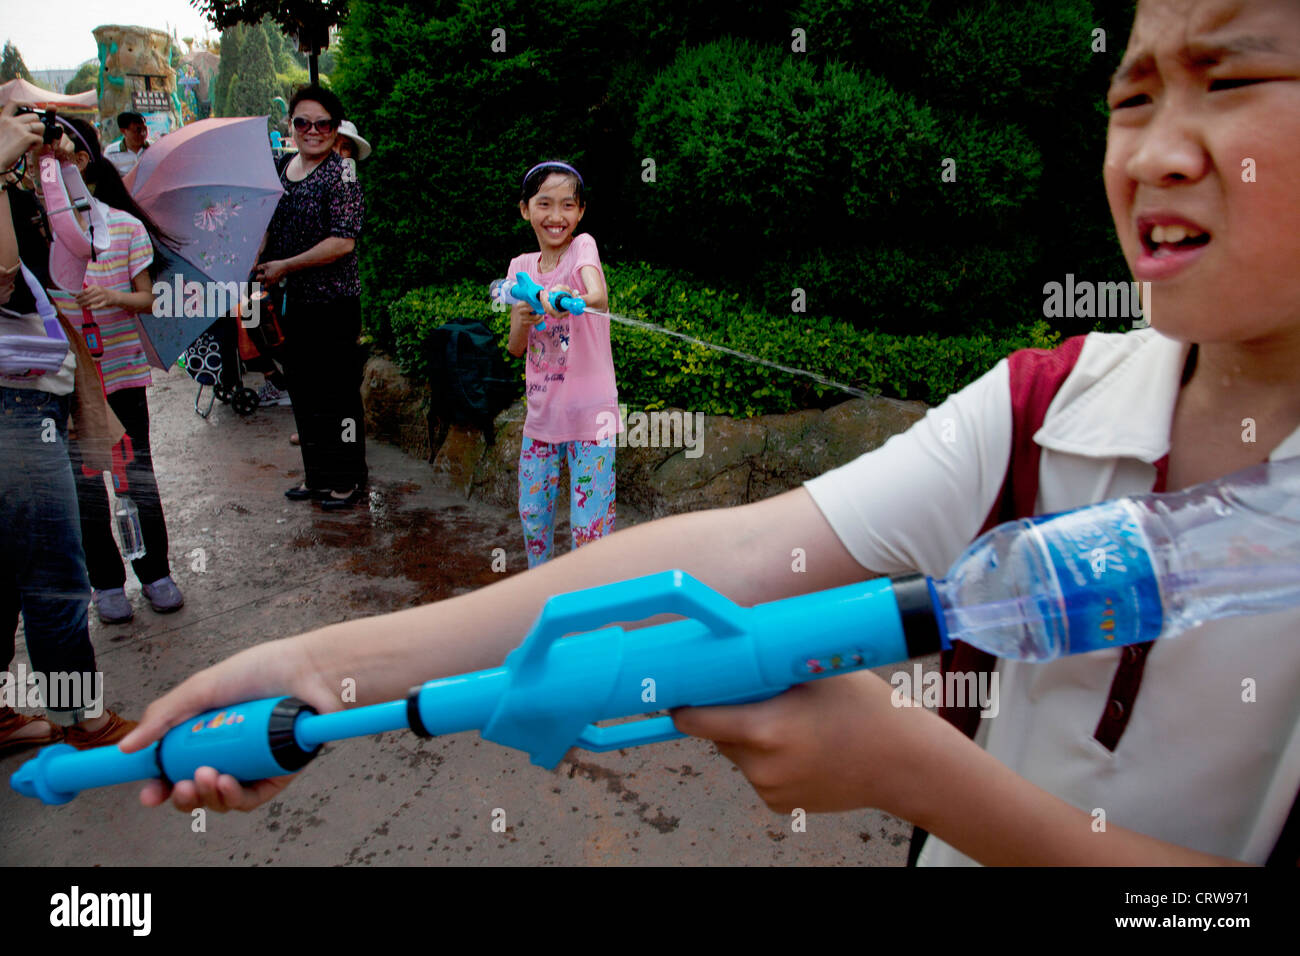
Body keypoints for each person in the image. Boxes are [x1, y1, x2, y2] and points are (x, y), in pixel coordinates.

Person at [121, 0, 1300, 866]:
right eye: (1130, 96)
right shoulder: (1043, 405)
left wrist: (911, 772)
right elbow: (727, 558)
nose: (1155, 151)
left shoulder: (582, 252)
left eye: (1232, 80)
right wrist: (328, 667)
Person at [0, 103, 137, 752]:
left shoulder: (24, 181)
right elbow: (3, 278)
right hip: (13, 406)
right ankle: (80, 718)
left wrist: (51, 170)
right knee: (53, 567)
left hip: (30, 399)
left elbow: (80, 246)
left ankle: (2, 711)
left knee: (10, 568)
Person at [58, 117, 186, 625]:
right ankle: (106, 584)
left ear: (86, 160)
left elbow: (148, 298)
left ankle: (155, 573)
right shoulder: (40, 236)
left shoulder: (126, 228)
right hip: (68, 384)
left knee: (136, 477)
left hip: (124, 377)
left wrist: (111, 296)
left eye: (64, 157)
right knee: (86, 485)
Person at [256, 85, 366, 510]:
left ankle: (348, 478)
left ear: (335, 128)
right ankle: (317, 475)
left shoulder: (344, 173)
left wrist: (287, 265)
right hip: (292, 302)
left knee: (337, 393)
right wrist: (261, 256)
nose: (312, 130)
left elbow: (343, 242)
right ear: (291, 125)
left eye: (323, 123)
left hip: (333, 302)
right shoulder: (282, 169)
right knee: (302, 391)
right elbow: (270, 222)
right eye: (303, 122)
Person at [506, 161, 620, 566]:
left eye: (567, 206)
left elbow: (599, 296)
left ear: (581, 212)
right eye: (544, 204)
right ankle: (543, 593)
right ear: (525, 209)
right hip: (542, 417)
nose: (556, 217)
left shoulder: (582, 248)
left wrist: (568, 301)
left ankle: (585, 607)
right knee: (533, 516)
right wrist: (522, 320)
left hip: (592, 417)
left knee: (590, 528)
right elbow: (516, 348)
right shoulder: (520, 269)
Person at [104, 111, 150, 177]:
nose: (143, 134)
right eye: (138, 130)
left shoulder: (154, 148)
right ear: (123, 131)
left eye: (145, 129)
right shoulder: (111, 152)